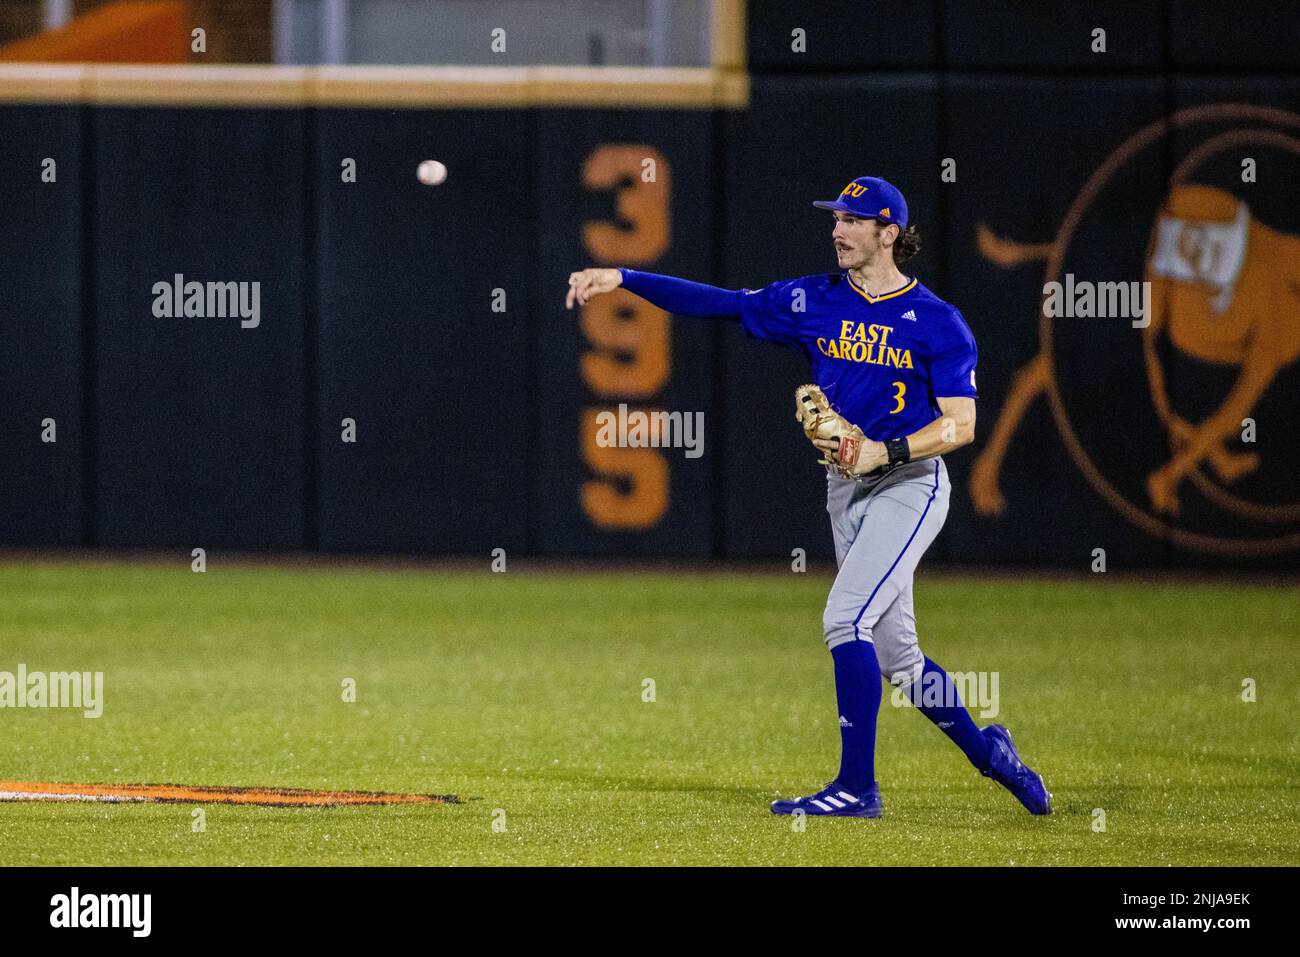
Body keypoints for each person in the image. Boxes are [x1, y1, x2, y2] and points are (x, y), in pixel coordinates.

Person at [565, 176, 1051, 818]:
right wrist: (627, 278)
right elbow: (723, 304)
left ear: (889, 234)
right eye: (837, 217)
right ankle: (993, 755)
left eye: (853, 219)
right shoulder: (812, 300)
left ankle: (857, 789)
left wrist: (887, 451)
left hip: (909, 485)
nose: (838, 229)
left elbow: (960, 424)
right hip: (846, 489)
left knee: (844, 619)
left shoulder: (938, 321)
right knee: (896, 657)